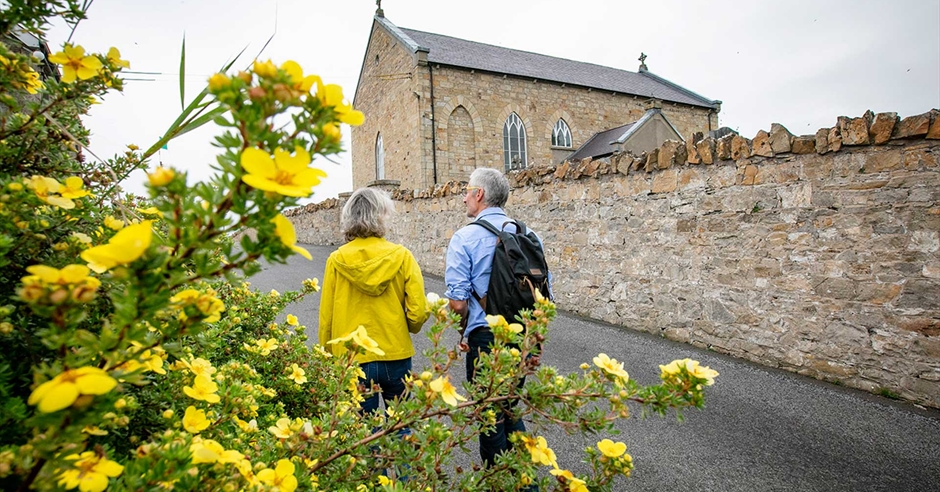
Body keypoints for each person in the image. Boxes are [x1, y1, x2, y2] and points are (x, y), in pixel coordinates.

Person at [444, 167, 551, 469]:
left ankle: (501, 479)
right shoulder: (529, 235)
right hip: (522, 334)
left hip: (486, 340)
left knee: (489, 415)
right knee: (508, 407)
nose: (464, 197)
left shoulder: (464, 237)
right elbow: (545, 289)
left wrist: (462, 329)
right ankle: (523, 479)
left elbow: (456, 302)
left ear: (479, 195)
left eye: (467, 190)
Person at [319, 187, 429, 416]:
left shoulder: (336, 260)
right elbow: (418, 312)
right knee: (400, 426)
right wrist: (407, 327)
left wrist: (327, 357)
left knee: (361, 433)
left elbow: (326, 318)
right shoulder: (402, 256)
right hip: (395, 353)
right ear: (382, 216)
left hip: (351, 357)